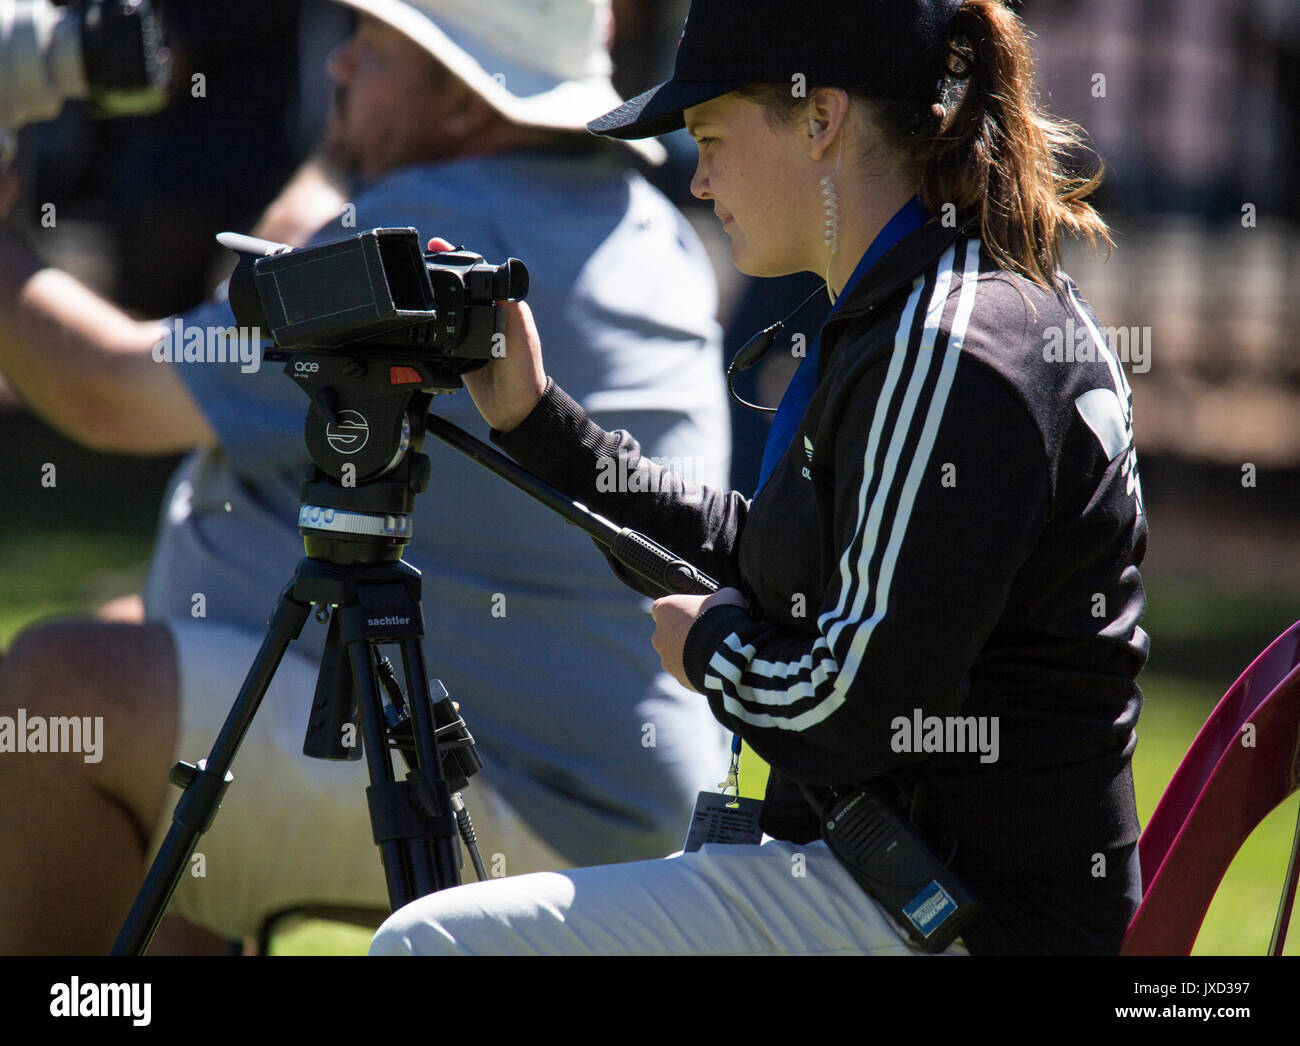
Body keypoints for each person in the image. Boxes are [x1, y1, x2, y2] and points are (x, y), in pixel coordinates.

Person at [370, 0, 1150, 956]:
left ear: (819, 120)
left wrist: (716, 654)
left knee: (430, 944)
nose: (698, 181)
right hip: (910, 891)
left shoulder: (949, 349)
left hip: (950, 917)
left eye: (710, 137)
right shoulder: (951, 306)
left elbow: (860, 711)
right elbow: (780, 564)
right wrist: (539, 426)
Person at [0, 0, 731, 954]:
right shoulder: (631, 221)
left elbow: (106, 392)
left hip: (529, 809)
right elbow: (302, 229)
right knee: (137, 659)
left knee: (59, 699)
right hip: (610, 798)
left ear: (465, 105)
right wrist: (357, 144)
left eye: (374, 48)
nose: (338, 67)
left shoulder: (420, 240)